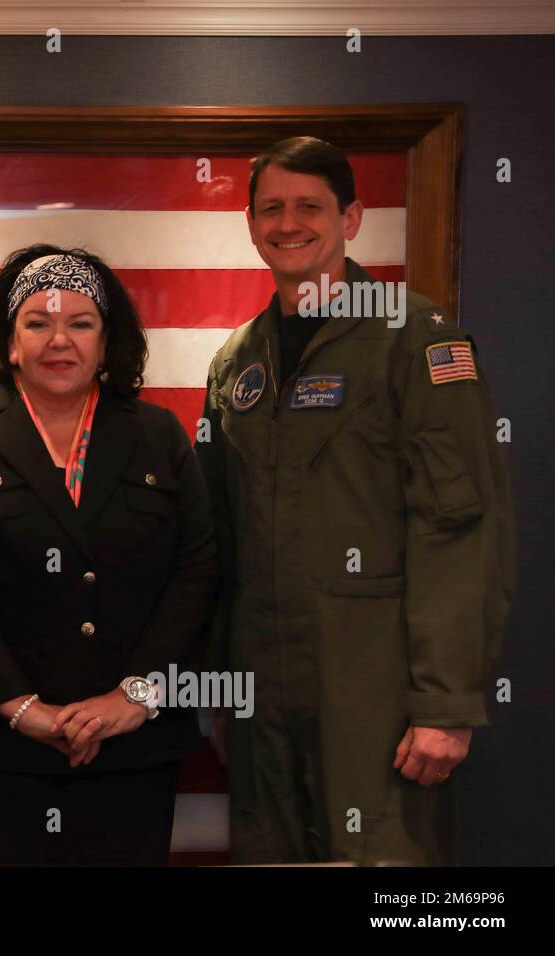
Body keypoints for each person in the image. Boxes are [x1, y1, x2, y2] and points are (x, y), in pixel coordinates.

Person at [197, 136, 515, 865]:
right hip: (258, 691)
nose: (289, 223)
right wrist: (217, 684)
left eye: (310, 206)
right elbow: (217, 540)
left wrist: (446, 703)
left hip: (374, 689)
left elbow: (460, 530)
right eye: (271, 208)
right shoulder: (236, 361)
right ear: (250, 225)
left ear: (353, 218)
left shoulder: (413, 337)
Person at [0, 245, 219, 865]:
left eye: (81, 323)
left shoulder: (159, 436)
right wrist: (23, 710)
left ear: (106, 342)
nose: (59, 341)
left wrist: (135, 696)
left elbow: (198, 572)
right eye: (38, 323)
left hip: (132, 742)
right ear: (10, 341)